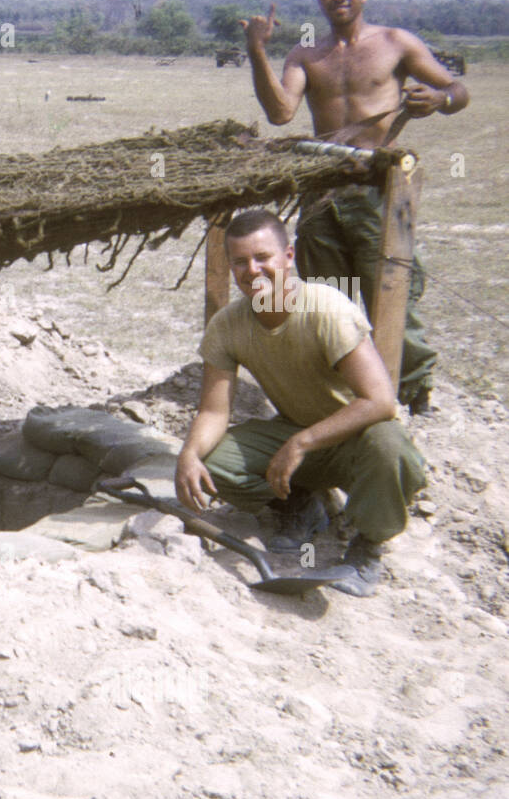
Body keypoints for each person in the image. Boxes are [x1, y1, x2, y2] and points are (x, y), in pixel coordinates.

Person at [240, 0, 470, 414]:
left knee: (391, 293)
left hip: (377, 188)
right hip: (321, 190)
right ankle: (345, 395)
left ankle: (414, 395)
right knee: (329, 298)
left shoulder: (395, 43)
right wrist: (257, 50)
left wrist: (439, 98)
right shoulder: (306, 54)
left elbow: (458, 91)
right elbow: (281, 113)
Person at [175, 209, 426, 597]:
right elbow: (214, 410)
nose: (252, 270)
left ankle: (368, 544)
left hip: (357, 437)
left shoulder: (327, 308)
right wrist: (189, 454)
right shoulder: (227, 324)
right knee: (214, 464)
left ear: (288, 257)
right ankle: (300, 504)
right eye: (240, 262)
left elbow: (380, 402)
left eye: (263, 258)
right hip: (297, 431)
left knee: (391, 448)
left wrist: (301, 443)